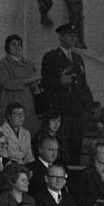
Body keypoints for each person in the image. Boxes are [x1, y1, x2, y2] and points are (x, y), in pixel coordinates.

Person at [41, 23, 95, 164]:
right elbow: (45, 82)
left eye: (74, 36)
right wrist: (60, 81)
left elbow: (82, 84)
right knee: (61, 146)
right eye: (70, 36)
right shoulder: (52, 57)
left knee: (76, 147)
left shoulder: (77, 58)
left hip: (77, 110)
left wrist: (89, 105)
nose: (73, 39)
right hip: (61, 109)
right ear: (61, 37)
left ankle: (74, 174)